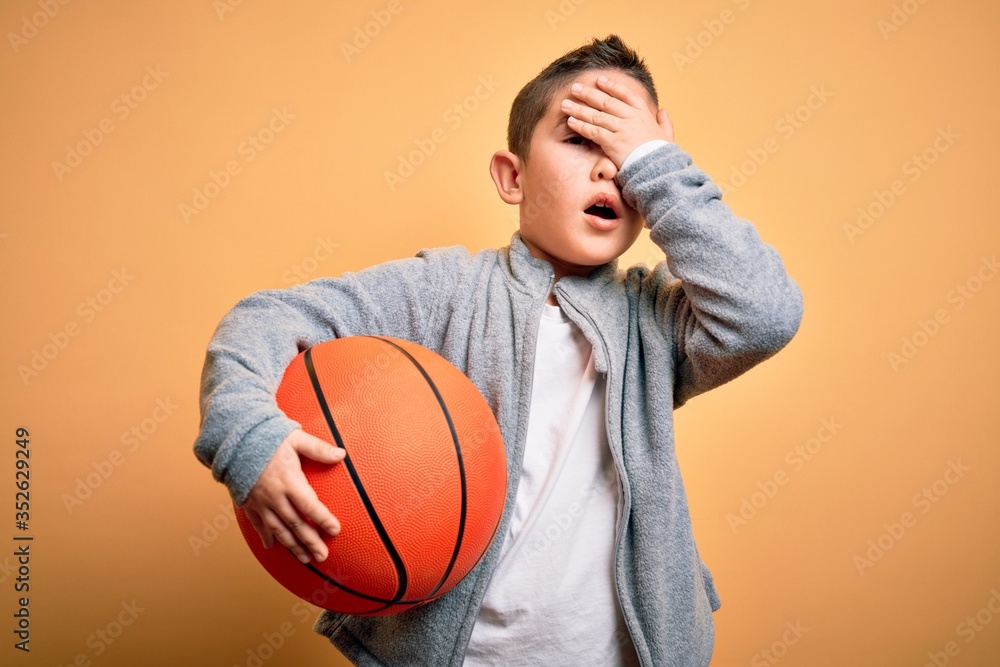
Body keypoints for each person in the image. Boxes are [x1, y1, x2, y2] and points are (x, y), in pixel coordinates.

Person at [193, 34, 803, 667]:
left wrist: (659, 167)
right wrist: (248, 435)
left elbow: (765, 313)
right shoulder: (443, 291)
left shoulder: (657, 321)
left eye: (625, 150)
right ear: (513, 177)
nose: (608, 169)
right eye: (579, 140)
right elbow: (267, 318)